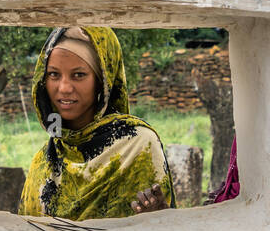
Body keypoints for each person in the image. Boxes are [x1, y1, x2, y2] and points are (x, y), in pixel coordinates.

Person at [19, 25, 175, 220]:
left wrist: (157, 216)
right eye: (53, 74)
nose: (64, 88)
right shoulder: (44, 161)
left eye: (79, 75)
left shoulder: (137, 145)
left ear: (103, 81)